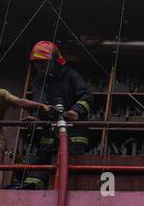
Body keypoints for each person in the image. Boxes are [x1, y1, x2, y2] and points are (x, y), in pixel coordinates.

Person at [15, 41, 94, 190]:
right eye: (37, 64)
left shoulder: (71, 75)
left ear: (54, 62)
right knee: (42, 160)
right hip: (50, 128)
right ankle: (32, 187)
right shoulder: (39, 81)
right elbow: (39, 102)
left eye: (43, 63)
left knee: (70, 162)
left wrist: (76, 111)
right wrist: (36, 117)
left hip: (74, 130)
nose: (39, 67)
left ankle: (69, 192)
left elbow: (87, 96)